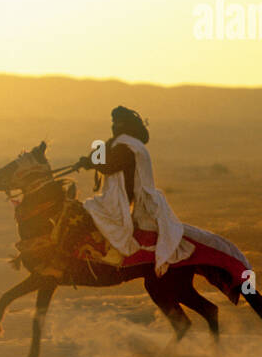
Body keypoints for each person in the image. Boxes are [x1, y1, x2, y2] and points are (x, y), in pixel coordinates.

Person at [74, 106, 192, 275]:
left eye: (117, 122)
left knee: (92, 209)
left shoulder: (126, 146)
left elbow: (109, 164)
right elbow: (104, 152)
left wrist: (89, 162)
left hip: (124, 197)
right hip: (128, 195)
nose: (114, 126)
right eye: (114, 122)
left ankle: (108, 255)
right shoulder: (128, 143)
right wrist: (86, 160)